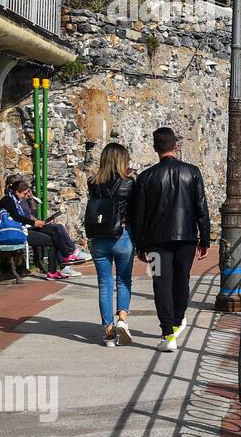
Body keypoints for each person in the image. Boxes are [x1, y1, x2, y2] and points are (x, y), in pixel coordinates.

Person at [128, 127, 211, 353]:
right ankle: (177, 320)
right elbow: (201, 208)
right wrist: (205, 238)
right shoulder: (192, 172)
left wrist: (140, 244)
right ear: (176, 146)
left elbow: (139, 215)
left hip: (156, 240)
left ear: (155, 148)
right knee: (181, 280)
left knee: (161, 283)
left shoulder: (146, 177)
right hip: (186, 237)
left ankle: (167, 333)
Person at [85, 142, 135, 347]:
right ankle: (122, 320)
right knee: (123, 281)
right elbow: (134, 211)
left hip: (98, 237)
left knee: (104, 284)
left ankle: (108, 331)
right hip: (122, 235)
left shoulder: (93, 182)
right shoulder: (129, 183)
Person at [0, 179, 86, 276]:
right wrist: (34, 223)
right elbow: (16, 217)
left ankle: (67, 256)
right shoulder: (7, 200)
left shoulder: (17, 200)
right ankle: (56, 267)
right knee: (53, 240)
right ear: (17, 192)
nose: (26, 196)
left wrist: (37, 221)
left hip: (24, 228)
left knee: (56, 229)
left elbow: (26, 215)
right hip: (18, 232)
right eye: (24, 193)